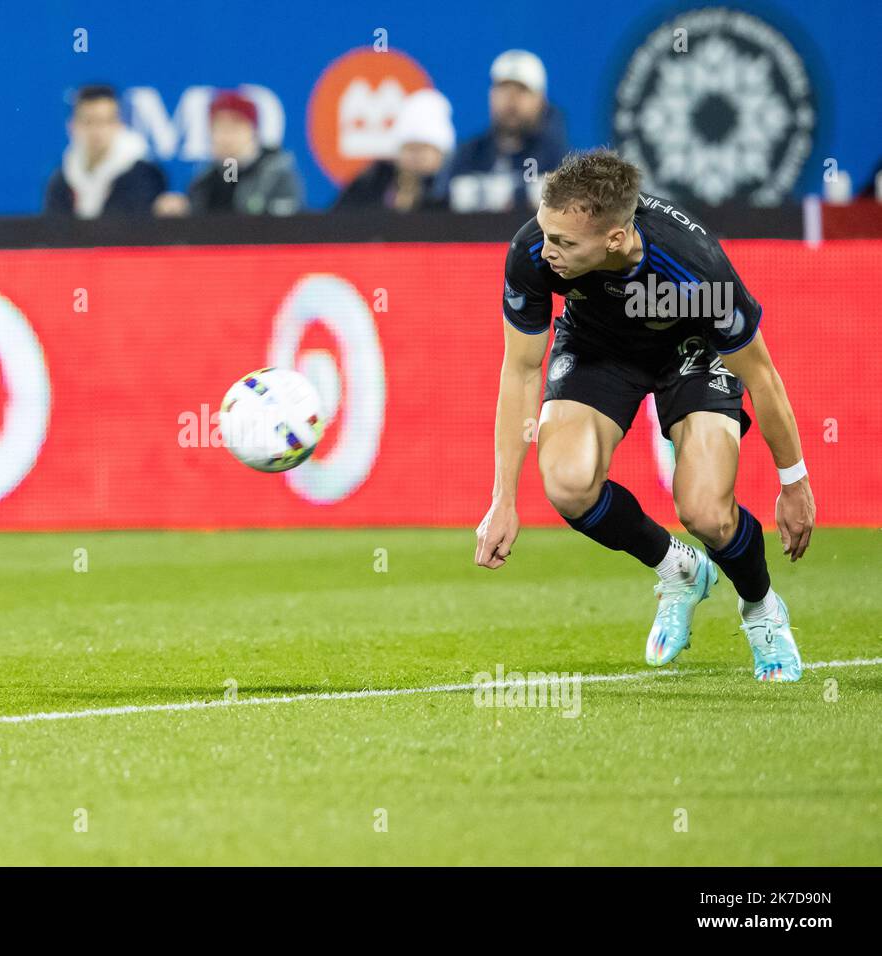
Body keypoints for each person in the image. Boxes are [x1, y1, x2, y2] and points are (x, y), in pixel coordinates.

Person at [475, 149, 814, 682]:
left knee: (706, 512)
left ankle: (761, 607)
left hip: (691, 352)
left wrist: (793, 483)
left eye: (563, 242)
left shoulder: (696, 267)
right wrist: (503, 499)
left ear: (614, 239)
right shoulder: (532, 251)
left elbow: (762, 376)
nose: (546, 249)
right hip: (599, 345)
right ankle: (677, 568)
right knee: (567, 483)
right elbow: (520, 371)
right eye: (544, 232)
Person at [444, 50, 567, 212]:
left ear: (541, 99)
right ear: (491, 95)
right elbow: (448, 198)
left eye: (522, 91)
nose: (511, 100)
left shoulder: (559, 158)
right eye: (503, 89)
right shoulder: (470, 153)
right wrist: (528, 192)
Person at [154, 90, 303, 217]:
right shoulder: (207, 178)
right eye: (219, 128)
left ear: (252, 131)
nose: (226, 136)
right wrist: (183, 210)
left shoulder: (275, 172)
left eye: (234, 127)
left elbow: (286, 221)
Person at [44, 84, 165, 218]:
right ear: (72, 126)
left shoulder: (145, 176)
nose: (96, 131)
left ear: (119, 124)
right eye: (88, 121)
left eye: (105, 121)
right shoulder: (61, 179)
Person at [332, 88, 454, 212]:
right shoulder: (374, 181)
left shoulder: (452, 189)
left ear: (441, 154)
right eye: (409, 148)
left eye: (422, 149)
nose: (415, 156)